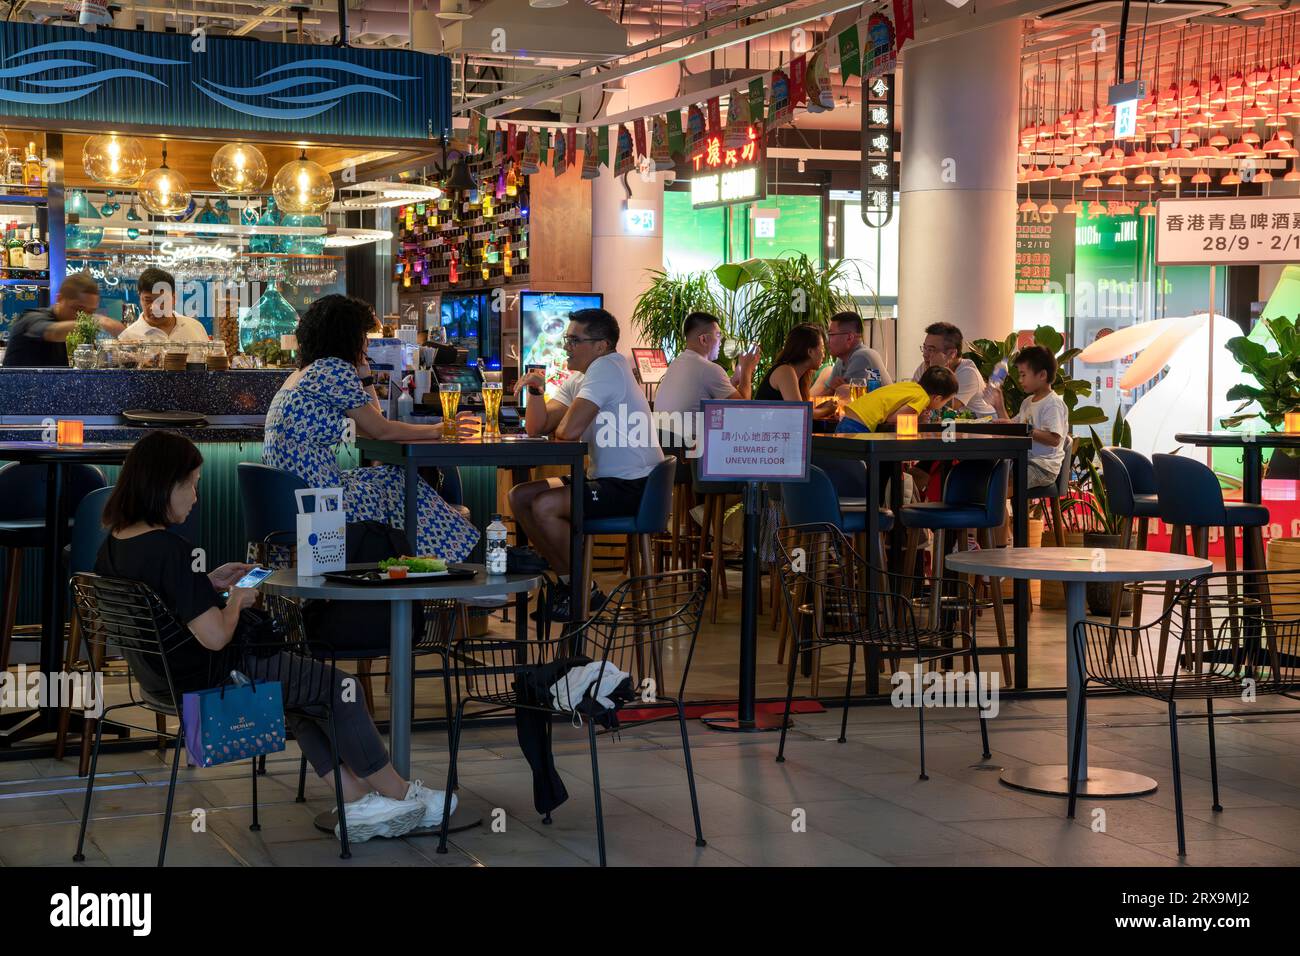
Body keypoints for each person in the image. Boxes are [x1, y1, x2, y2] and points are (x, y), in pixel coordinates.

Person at [94, 432, 454, 843]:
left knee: (302, 699)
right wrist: (238, 601)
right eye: (191, 484)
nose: (195, 496)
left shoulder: (114, 546)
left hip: (164, 678)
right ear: (163, 485)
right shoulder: (168, 548)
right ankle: (403, 794)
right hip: (217, 673)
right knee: (342, 689)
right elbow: (214, 637)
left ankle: (358, 801)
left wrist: (208, 584)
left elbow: (162, 602)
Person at [262, 294, 478, 561]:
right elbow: (381, 430)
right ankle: (446, 567)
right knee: (398, 482)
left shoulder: (302, 374)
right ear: (347, 336)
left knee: (389, 478)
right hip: (321, 500)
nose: (366, 342)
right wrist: (440, 429)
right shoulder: (331, 370)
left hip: (294, 497)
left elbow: (371, 425)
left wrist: (364, 376)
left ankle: (427, 568)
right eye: (363, 334)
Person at [508, 308, 663, 620]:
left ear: (601, 346)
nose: (567, 346)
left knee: (546, 506)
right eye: (567, 338)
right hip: (606, 480)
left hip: (636, 486)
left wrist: (564, 418)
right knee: (520, 496)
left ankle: (580, 589)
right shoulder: (581, 376)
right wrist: (537, 391)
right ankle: (575, 586)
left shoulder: (608, 368)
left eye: (574, 340)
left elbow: (567, 431)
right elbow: (538, 428)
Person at [988, 344, 1069, 488]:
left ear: (1042, 375)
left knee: (1000, 483)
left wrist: (1026, 429)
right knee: (990, 475)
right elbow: (1013, 429)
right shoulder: (1027, 402)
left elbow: (1054, 439)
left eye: (1023, 374)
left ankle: (1005, 510)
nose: (1020, 380)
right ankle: (1000, 511)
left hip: (1043, 468)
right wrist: (999, 406)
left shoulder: (1053, 403)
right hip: (1025, 461)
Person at [2, 272, 122, 367]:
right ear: (59, 299)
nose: (84, 316)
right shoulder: (30, 319)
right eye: (79, 309)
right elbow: (53, 332)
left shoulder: (78, 334)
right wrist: (98, 321)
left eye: (91, 311)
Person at [653, 311, 758, 415]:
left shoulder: (677, 363)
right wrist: (746, 368)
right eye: (718, 335)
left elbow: (722, 397)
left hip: (662, 431)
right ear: (703, 339)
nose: (721, 341)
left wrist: (735, 380)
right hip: (689, 432)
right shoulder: (709, 369)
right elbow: (743, 408)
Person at [838, 365, 959, 433]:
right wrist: (917, 418)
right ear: (938, 398)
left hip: (847, 419)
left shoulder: (911, 386)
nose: (944, 405)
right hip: (859, 426)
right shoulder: (923, 398)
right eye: (945, 401)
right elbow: (894, 419)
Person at [754, 323, 838, 420]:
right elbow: (799, 414)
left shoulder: (801, 375)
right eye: (822, 348)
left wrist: (820, 410)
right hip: (766, 432)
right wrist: (827, 410)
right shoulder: (785, 371)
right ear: (810, 352)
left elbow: (800, 412)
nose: (824, 355)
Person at [911, 321, 995, 416]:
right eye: (925, 348)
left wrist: (937, 371)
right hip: (952, 426)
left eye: (931, 349)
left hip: (985, 426)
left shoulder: (968, 372)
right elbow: (913, 398)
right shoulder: (925, 366)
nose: (924, 354)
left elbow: (946, 407)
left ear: (952, 353)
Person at [811, 310, 891, 397]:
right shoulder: (841, 361)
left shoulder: (863, 357)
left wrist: (836, 390)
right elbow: (829, 394)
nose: (827, 340)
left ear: (849, 338)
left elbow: (847, 399)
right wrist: (833, 389)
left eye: (831, 334)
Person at [117, 267, 208, 343]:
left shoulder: (195, 327)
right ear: (140, 298)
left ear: (174, 298)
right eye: (148, 300)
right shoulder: (128, 338)